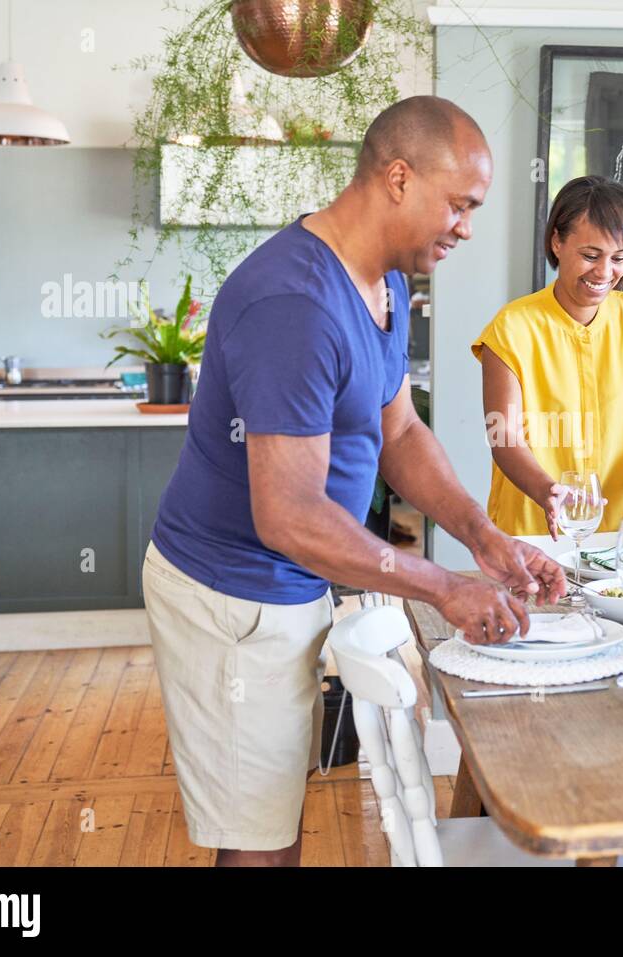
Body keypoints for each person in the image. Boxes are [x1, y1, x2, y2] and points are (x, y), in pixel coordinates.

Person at [142, 96, 565, 867]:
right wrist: (442, 587)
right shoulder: (294, 305)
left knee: (273, 818)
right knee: (259, 843)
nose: (467, 227)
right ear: (398, 178)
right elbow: (290, 515)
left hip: (291, 582)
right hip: (233, 594)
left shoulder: (385, 281)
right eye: (461, 205)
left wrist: (484, 535)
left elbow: (398, 430)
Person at [472, 175, 623, 545]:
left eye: (618, 258)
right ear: (557, 241)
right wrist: (547, 491)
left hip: (608, 537)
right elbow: (503, 435)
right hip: (531, 534)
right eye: (591, 255)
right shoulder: (511, 327)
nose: (605, 273)